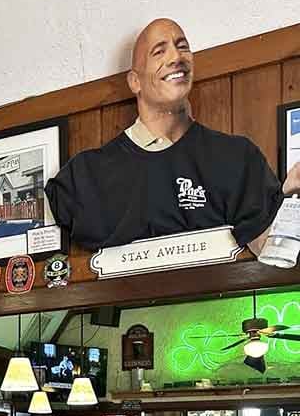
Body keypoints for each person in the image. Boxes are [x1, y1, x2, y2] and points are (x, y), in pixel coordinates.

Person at [45, 18, 300, 253]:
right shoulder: (85, 176)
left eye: (182, 47)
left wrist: (289, 197)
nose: (176, 57)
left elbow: (268, 251)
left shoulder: (238, 157)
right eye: (159, 51)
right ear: (135, 81)